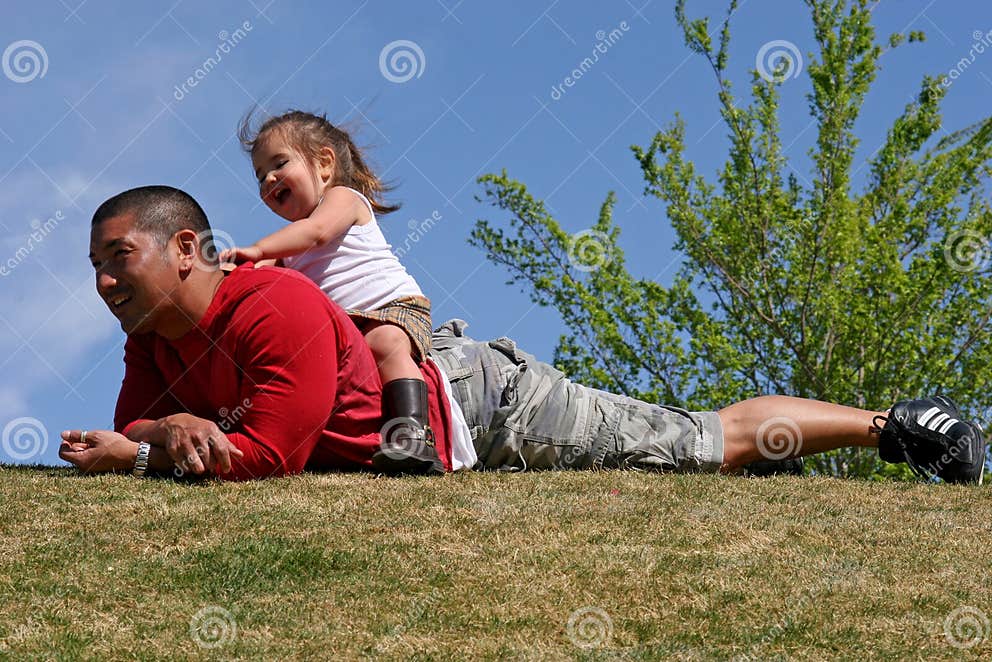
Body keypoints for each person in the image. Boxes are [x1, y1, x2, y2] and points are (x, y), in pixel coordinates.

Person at [61, 186, 987, 486]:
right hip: (435, 409)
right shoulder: (157, 334)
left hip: (484, 404)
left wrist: (146, 454)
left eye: (119, 259)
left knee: (708, 442)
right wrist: (153, 433)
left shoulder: (274, 307)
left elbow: (269, 456)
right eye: (96, 267)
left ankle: (900, 425)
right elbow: (139, 421)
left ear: (187, 248)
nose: (105, 283)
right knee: (710, 454)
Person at [219, 110, 433, 472]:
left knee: (385, 345)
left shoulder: (343, 200)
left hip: (392, 308)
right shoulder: (285, 250)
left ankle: (413, 433)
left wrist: (257, 249)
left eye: (279, 163)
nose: (268, 179)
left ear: (324, 163)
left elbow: (316, 233)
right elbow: (256, 277)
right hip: (345, 329)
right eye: (259, 176)